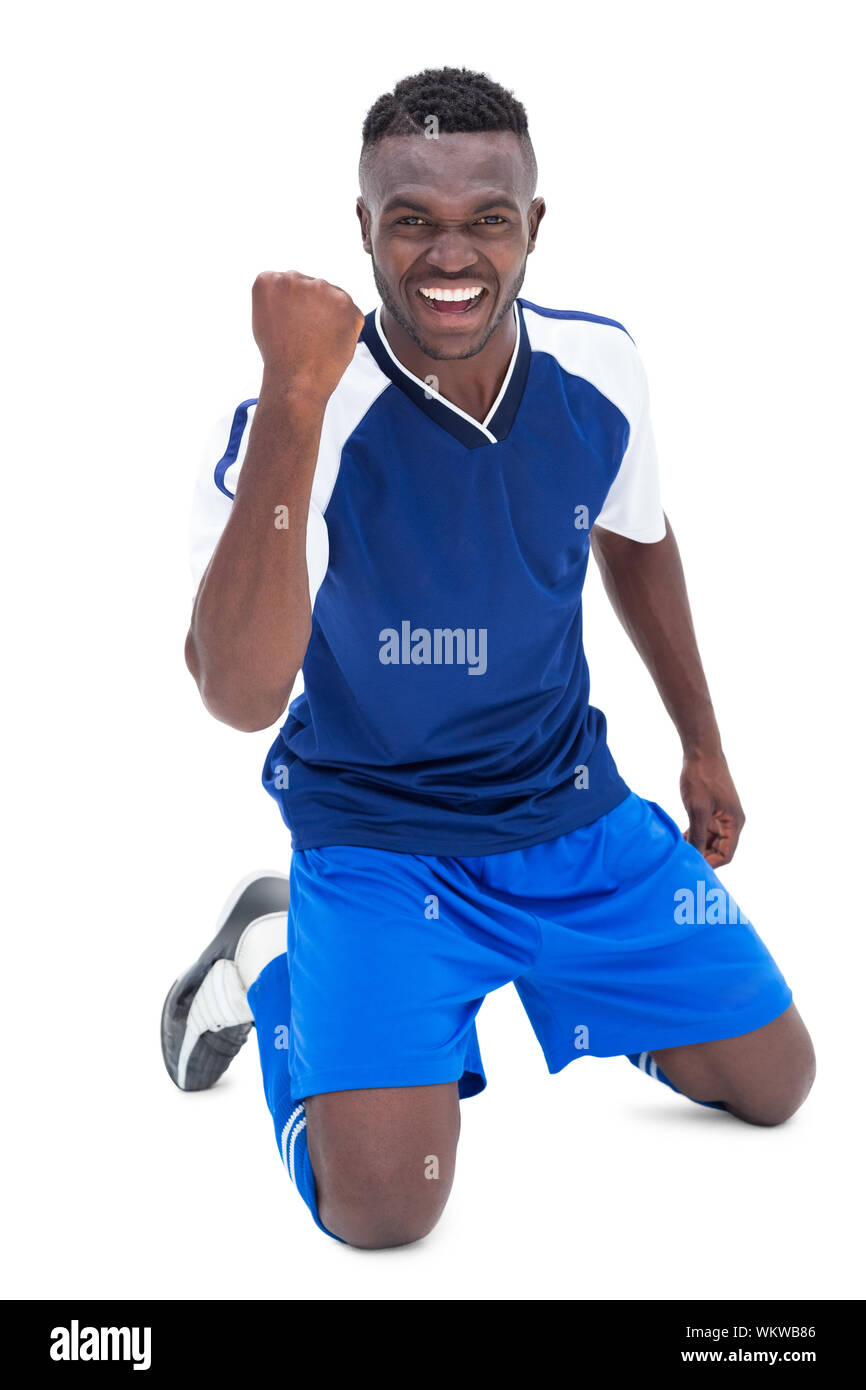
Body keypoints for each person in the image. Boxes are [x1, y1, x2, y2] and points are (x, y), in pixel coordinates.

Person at [162, 67, 815, 1250]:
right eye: (410, 218)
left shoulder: (598, 368)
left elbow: (637, 535)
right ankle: (269, 954)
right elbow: (239, 693)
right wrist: (295, 396)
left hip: (569, 815)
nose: (447, 253)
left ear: (533, 227)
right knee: (381, 1210)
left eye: (485, 219)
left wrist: (702, 742)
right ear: (361, 225)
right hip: (381, 839)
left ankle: (550, 970)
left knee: (775, 1085)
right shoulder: (298, 417)